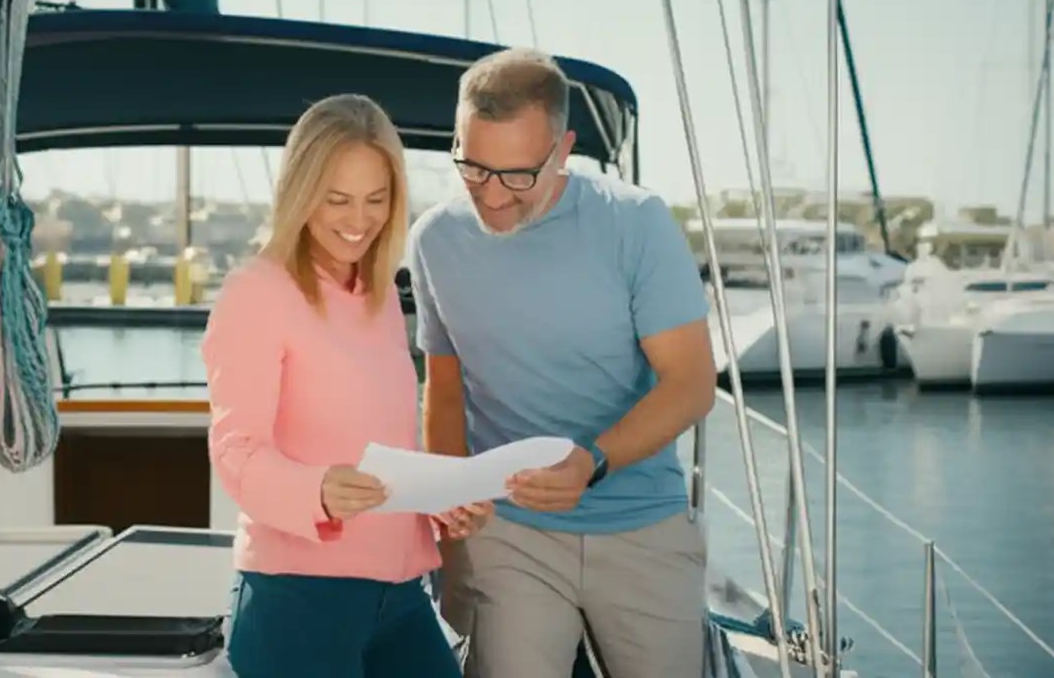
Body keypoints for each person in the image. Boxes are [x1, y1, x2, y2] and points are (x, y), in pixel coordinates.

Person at [408, 48, 718, 678]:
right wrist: (450, 510)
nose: (492, 196)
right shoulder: (434, 239)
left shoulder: (636, 223)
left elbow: (691, 383)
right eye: (473, 167)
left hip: (642, 526)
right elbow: (443, 391)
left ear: (564, 148)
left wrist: (592, 460)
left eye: (517, 174)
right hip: (508, 533)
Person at [202, 93, 491, 678]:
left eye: (376, 200)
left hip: (401, 591)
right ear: (300, 192)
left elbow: (380, 444)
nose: (358, 221)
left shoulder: (379, 298)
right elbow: (235, 452)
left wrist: (438, 500)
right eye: (337, 200)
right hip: (297, 597)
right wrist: (318, 491)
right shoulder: (256, 292)